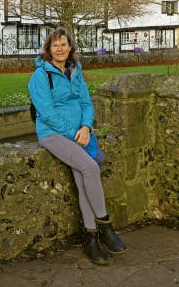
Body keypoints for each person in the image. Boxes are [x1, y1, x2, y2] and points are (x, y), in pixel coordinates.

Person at [28, 27, 126, 265]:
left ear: (70, 47)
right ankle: (105, 226)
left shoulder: (76, 71)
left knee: (83, 179)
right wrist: (74, 132)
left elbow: (86, 103)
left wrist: (86, 127)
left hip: (78, 134)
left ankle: (90, 238)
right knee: (91, 168)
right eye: (55, 45)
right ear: (48, 50)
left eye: (64, 44)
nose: (60, 49)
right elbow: (47, 113)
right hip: (53, 134)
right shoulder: (40, 76)